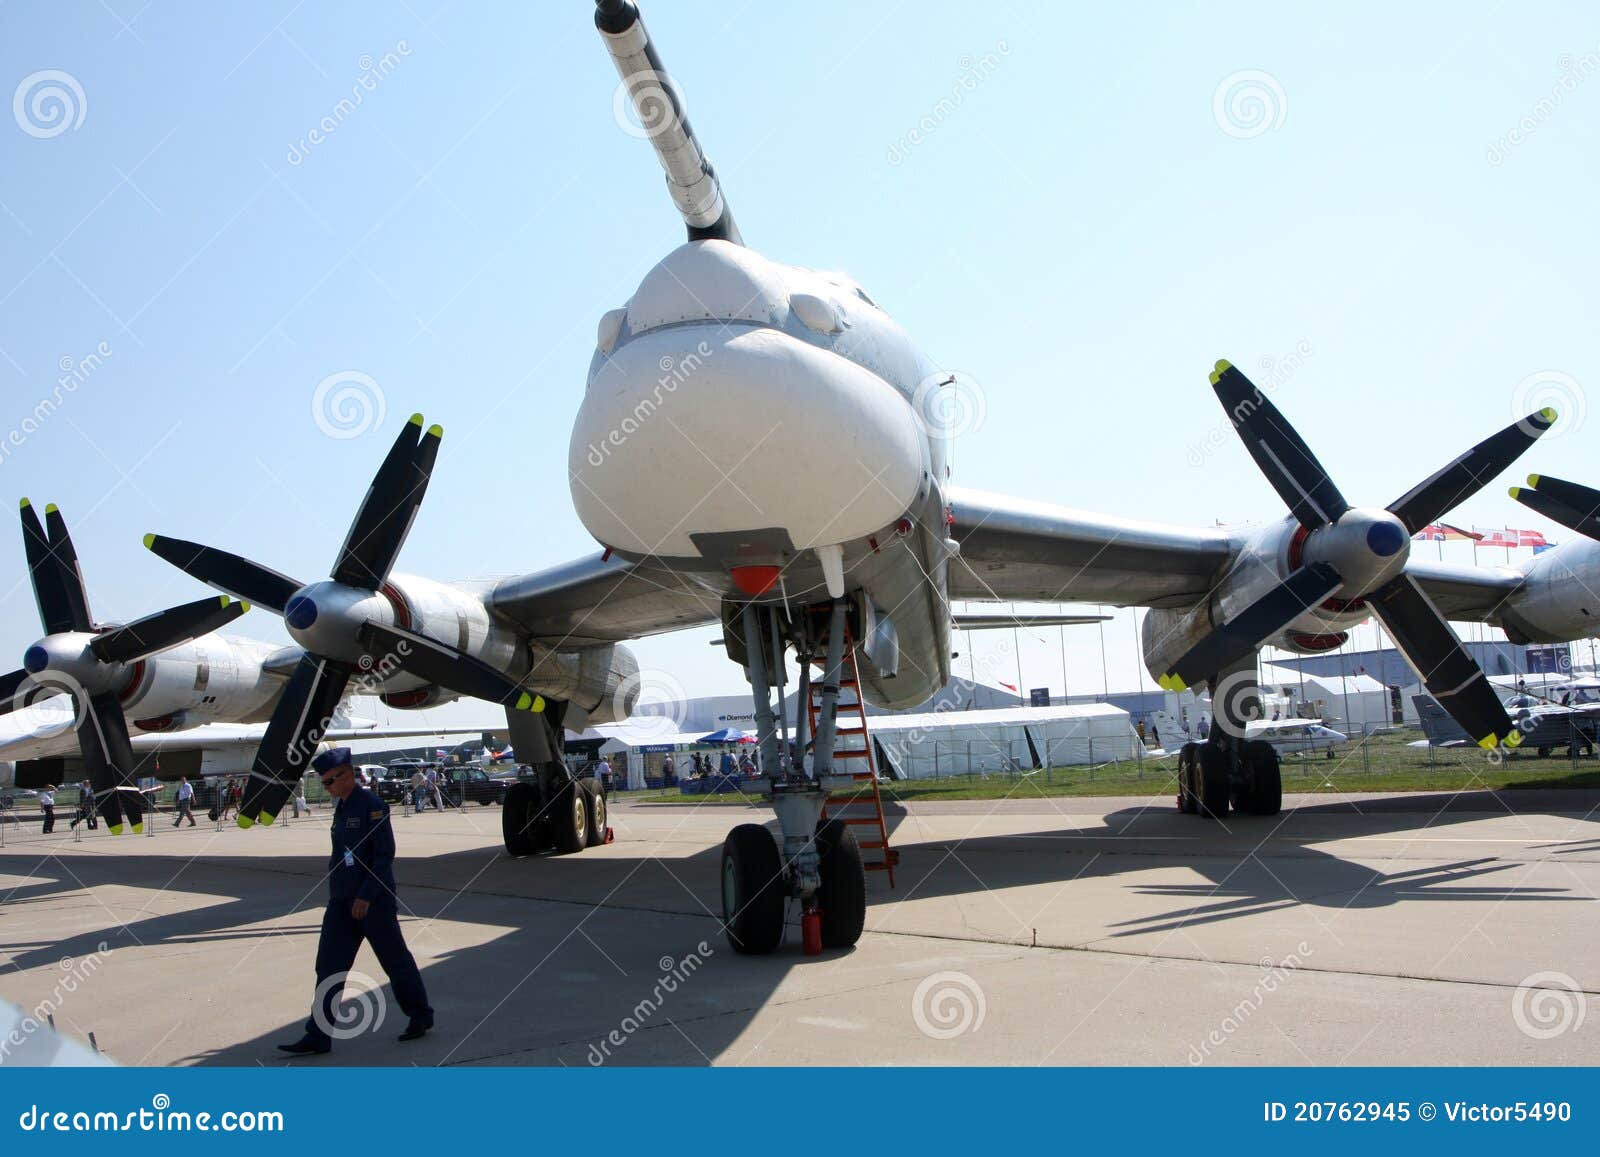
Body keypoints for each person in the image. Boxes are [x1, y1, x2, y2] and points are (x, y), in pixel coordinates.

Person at [278, 748, 433, 1056]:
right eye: (324, 783)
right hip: (341, 903)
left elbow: (383, 855)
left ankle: (420, 1015)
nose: (327, 787)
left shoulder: (372, 806)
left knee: (395, 962)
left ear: (348, 775)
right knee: (329, 967)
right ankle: (318, 1034)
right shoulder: (343, 806)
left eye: (331, 781)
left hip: (372, 902)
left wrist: (365, 895)